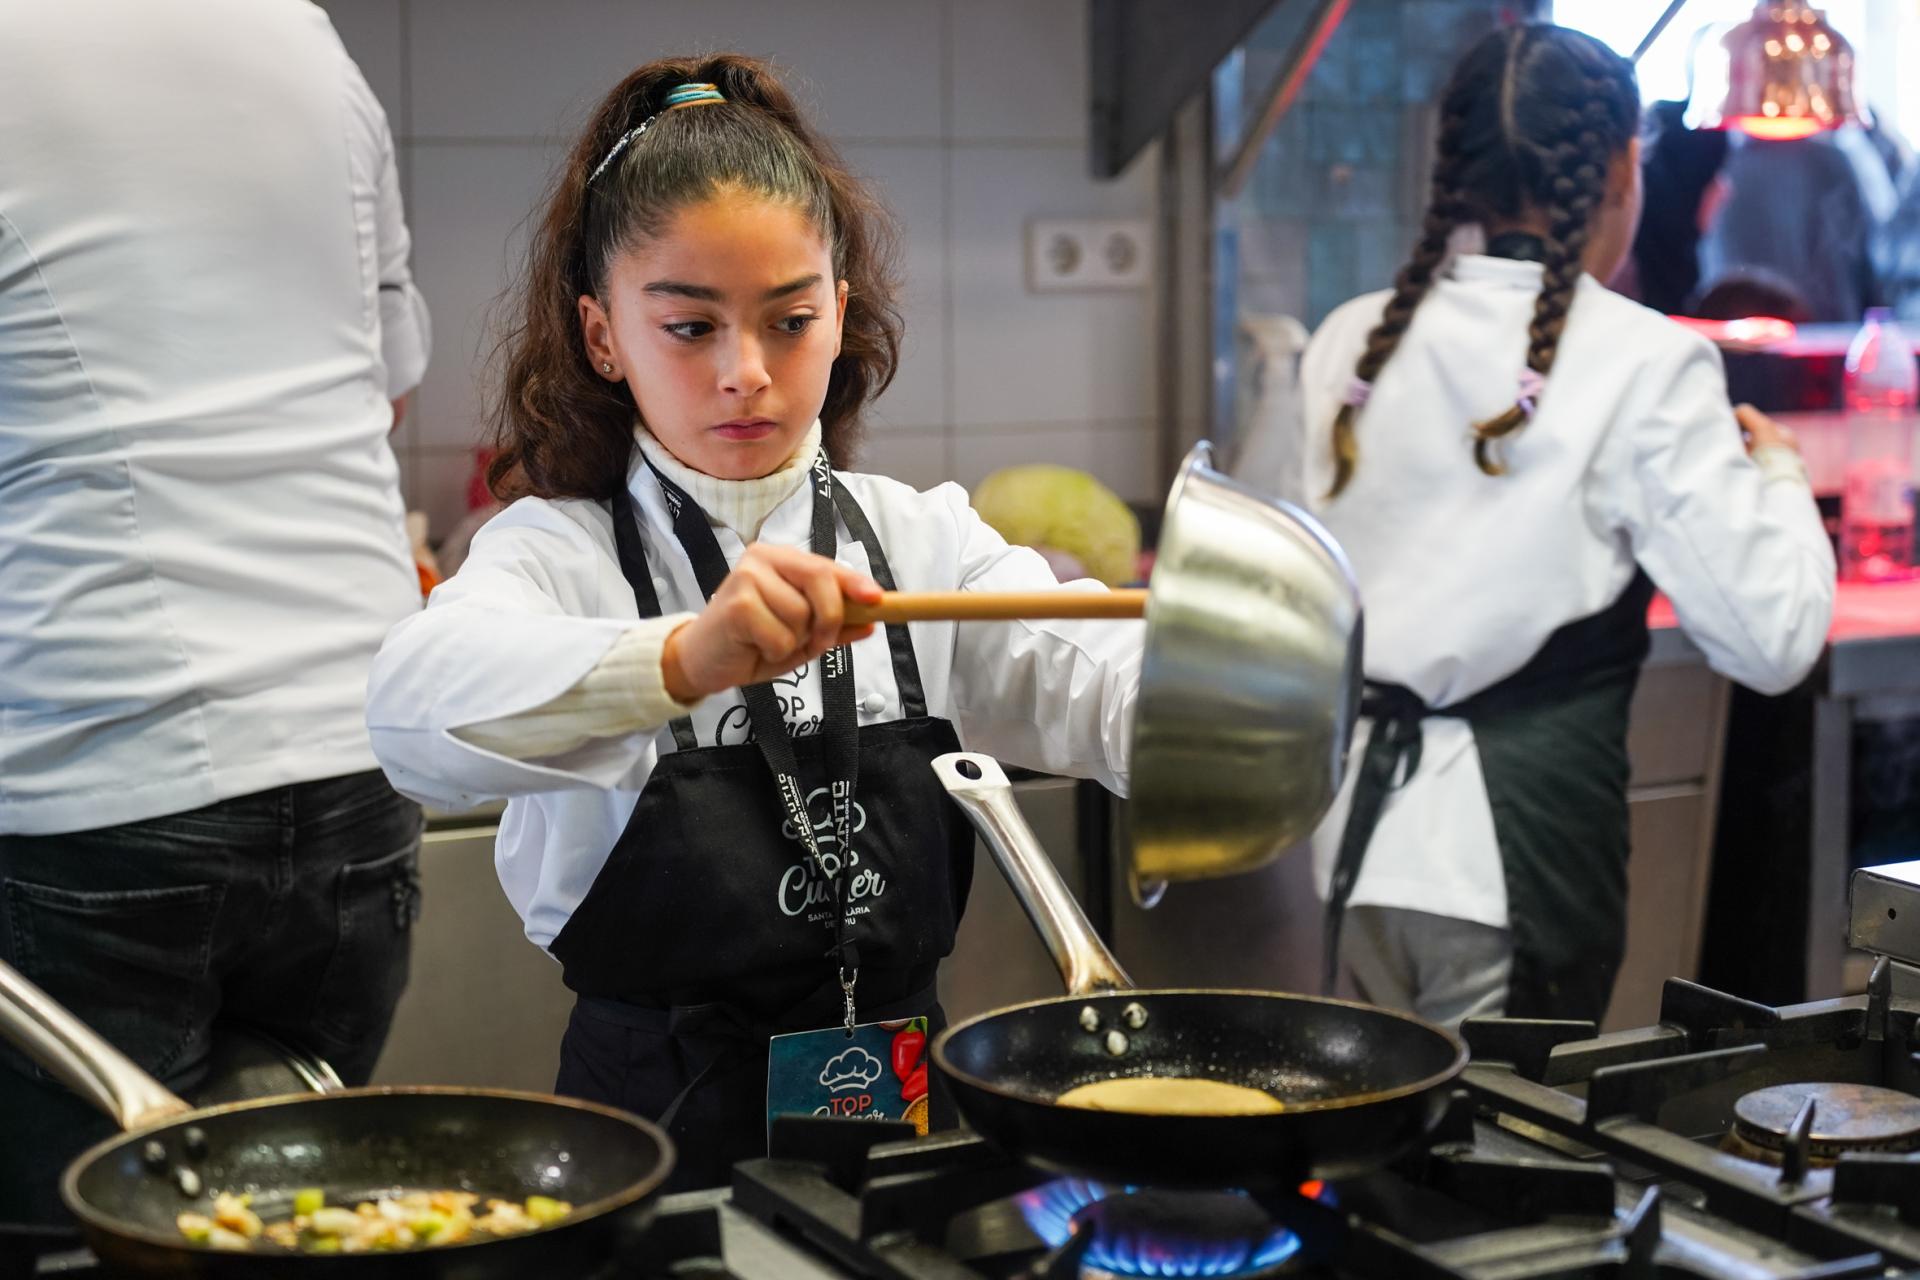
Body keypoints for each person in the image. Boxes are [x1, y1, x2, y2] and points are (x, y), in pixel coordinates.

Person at [364, 55, 1141, 1191]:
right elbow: (411, 717)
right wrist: (684, 657)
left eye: (789, 320)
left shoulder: (922, 542)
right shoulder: (556, 551)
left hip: (898, 1125)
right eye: (689, 327)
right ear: (602, 335)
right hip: (655, 1140)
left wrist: (1248, 677)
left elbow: (1105, 675)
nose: (746, 374)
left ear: (841, 315)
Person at [1299, 23, 1834, 1030]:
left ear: (1452, 174)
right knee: (1501, 1172)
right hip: (1517, 866)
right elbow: (1773, 640)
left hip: (1353, 852)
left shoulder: (1346, 341)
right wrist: (1778, 473)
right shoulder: (1646, 360)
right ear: (1624, 168)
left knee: (1384, 1162)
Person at [0, 0, 431, 1229]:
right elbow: (389, 384)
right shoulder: (303, 38)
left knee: (87, 1242)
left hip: (97, 791)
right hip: (359, 771)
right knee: (303, 1230)